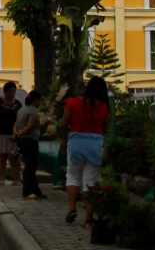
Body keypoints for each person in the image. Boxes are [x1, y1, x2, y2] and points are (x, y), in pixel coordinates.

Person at [59, 76, 111, 227]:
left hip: (76, 143)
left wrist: (64, 139)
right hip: (95, 145)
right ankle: (88, 219)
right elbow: (105, 129)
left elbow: (63, 125)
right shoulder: (104, 107)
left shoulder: (73, 103)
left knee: (73, 176)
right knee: (91, 180)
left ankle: (71, 209)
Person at [12, 90, 45, 200]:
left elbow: (16, 125)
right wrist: (20, 134)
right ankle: (26, 192)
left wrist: (16, 134)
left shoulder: (22, 109)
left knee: (31, 166)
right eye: (39, 101)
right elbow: (30, 126)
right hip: (30, 140)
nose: (40, 103)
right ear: (36, 101)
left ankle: (36, 191)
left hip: (22, 141)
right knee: (30, 167)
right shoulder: (33, 111)